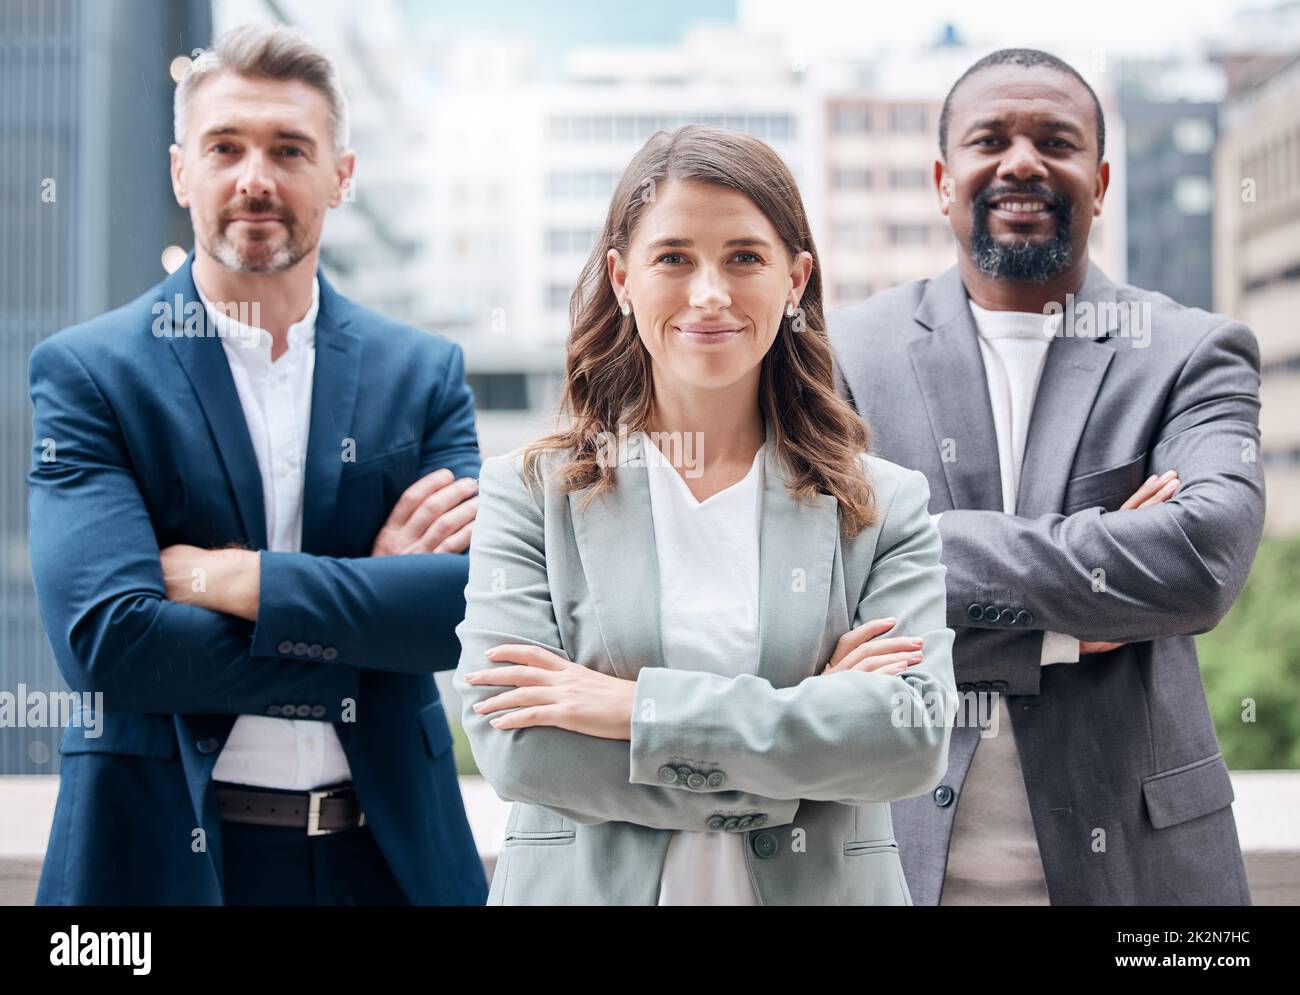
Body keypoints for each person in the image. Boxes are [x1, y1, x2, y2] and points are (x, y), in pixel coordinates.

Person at [28, 23, 487, 906]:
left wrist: (227, 578)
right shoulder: (90, 373)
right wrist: (366, 595)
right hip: (162, 856)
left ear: (341, 176)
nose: (256, 178)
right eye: (226, 147)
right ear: (179, 170)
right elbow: (114, 646)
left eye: (289, 149)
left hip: (385, 860)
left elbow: (453, 616)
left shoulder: (422, 373)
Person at [453, 124, 956, 905]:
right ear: (622, 279)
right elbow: (523, 753)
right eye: (674, 257)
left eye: (745, 257)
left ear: (796, 279)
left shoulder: (879, 504)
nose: (710, 293)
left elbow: (906, 739)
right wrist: (803, 742)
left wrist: (630, 708)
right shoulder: (528, 493)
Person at [829, 48, 1263, 905]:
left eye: (1054, 142)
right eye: (990, 139)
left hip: (1146, 878)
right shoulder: (841, 354)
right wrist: (1063, 625)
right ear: (943, 178)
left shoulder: (1193, 352)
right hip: (892, 860)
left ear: (1099, 181)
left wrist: (904, 551)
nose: (1022, 161)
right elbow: (817, 582)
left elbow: (1201, 563)